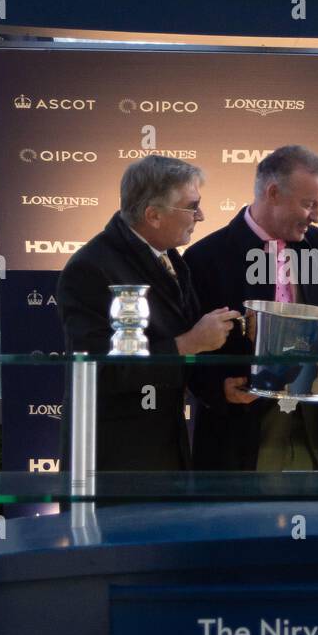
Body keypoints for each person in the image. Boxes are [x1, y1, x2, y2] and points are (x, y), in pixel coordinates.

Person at [185, 145, 318, 471]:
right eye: (308, 204)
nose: (315, 215)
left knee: (317, 517)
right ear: (272, 193)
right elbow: (188, 348)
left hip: (316, 424)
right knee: (243, 521)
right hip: (241, 432)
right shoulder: (205, 258)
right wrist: (217, 388)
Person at [56, 156, 239, 472]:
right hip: (112, 462)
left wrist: (218, 388)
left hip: (165, 450)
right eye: (191, 206)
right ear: (153, 215)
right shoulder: (90, 268)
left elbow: (174, 351)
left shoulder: (169, 258)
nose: (202, 216)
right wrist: (187, 344)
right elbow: (99, 371)